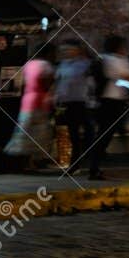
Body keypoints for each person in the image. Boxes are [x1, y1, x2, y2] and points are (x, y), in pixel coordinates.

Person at [87, 34, 129, 180]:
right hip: (113, 102)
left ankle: (96, 166)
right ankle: (94, 168)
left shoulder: (103, 59)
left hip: (106, 102)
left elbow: (124, 79)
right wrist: (126, 82)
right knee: (106, 136)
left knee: (108, 135)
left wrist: (124, 81)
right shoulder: (115, 61)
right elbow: (127, 80)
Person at [4, 45, 56, 170]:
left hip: (27, 100)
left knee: (24, 131)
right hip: (40, 101)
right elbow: (47, 84)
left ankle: (23, 161)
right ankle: (35, 161)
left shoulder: (29, 64)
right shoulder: (46, 66)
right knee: (39, 133)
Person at [54, 41, 95, 172]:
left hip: (82, 102)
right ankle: (75, 163)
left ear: (77, 50)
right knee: (73, 134)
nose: (66, 52)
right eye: (64, 50)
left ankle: (92, 161)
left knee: (88, 133)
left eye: (69, 49)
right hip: (67, 103)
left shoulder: (84, 64)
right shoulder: (63, 65)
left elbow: (92, 82)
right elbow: (59, 82)